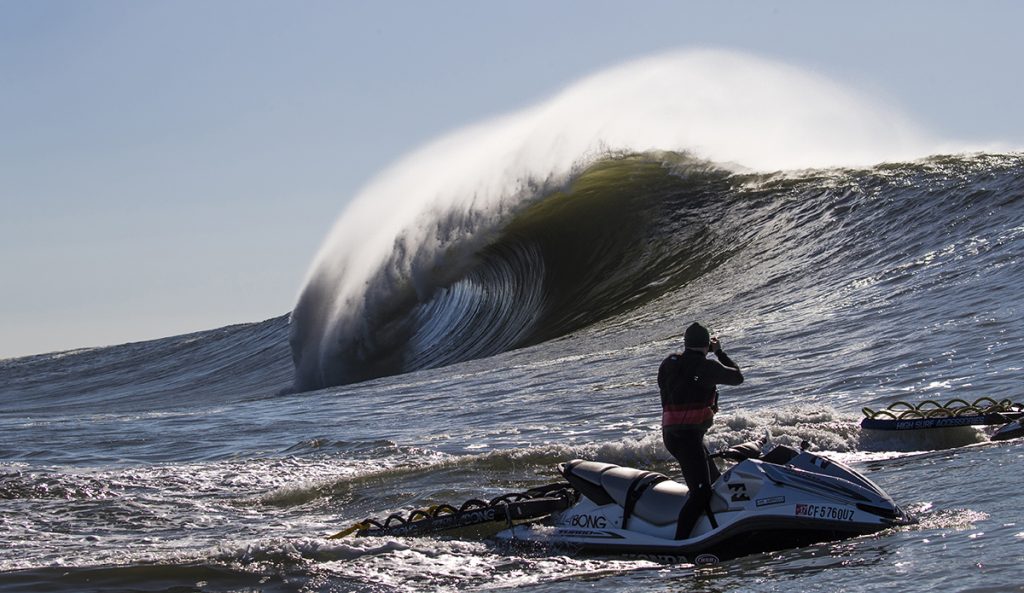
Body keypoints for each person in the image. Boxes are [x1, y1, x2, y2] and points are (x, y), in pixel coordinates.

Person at [658, 321, 743, 539]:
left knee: (714, 483)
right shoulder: (707, 367)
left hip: (671, 435)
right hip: (688, 438)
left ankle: (713, 527)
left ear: (686, 344)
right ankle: (680, 542)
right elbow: (737, 377)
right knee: (702, 492)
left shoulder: (669, 363)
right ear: (707, 345)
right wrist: (720, 353)